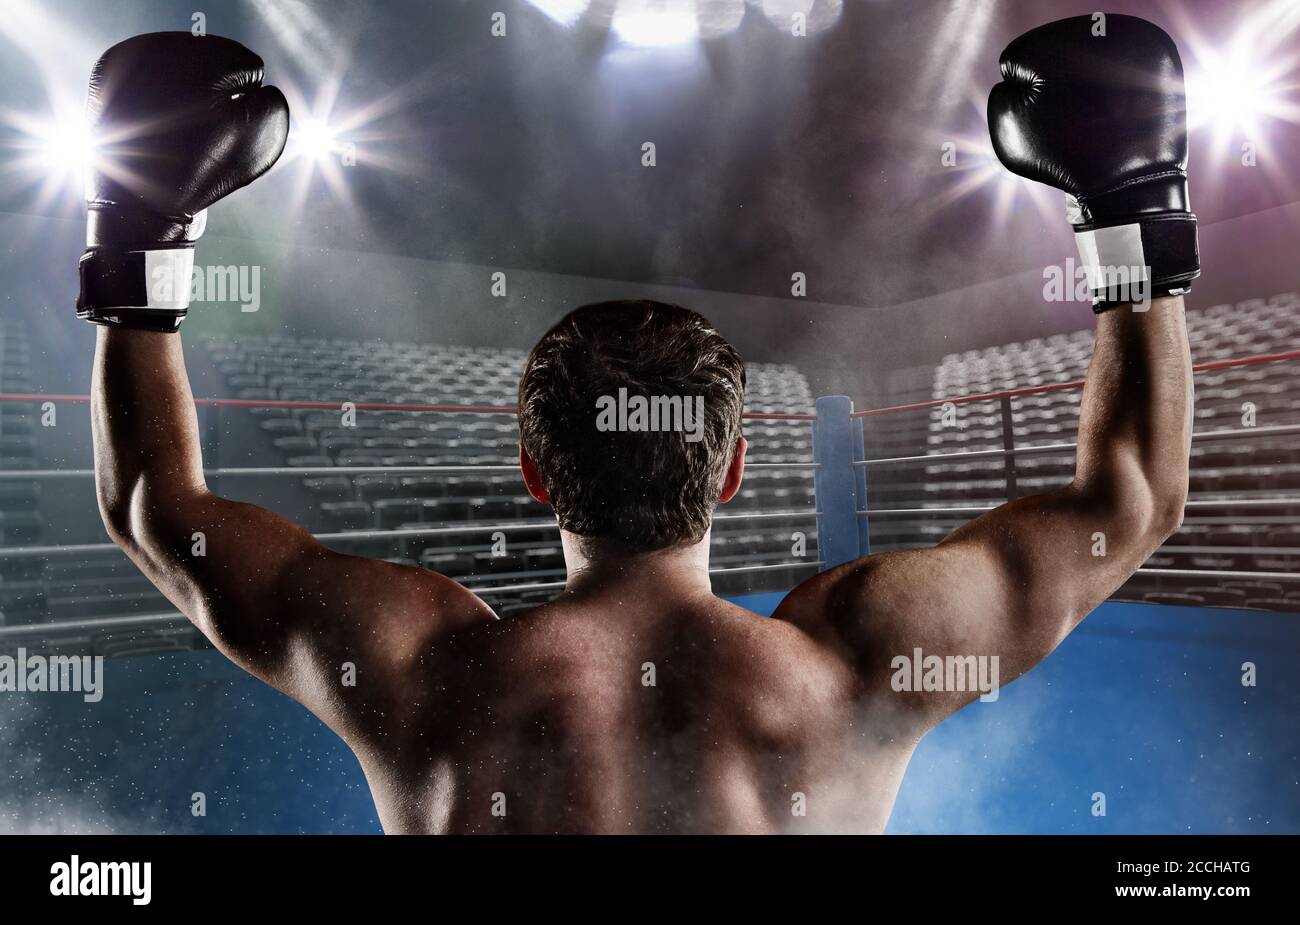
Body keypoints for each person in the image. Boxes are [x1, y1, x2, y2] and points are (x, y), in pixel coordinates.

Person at [86, 17, 1194, 833]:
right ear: (732, 473)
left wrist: (142, 221)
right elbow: (1130, 501)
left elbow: (153, 508)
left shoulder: (420, 665)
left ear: (535, 472)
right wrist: (1130, 202)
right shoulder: (851, 667)